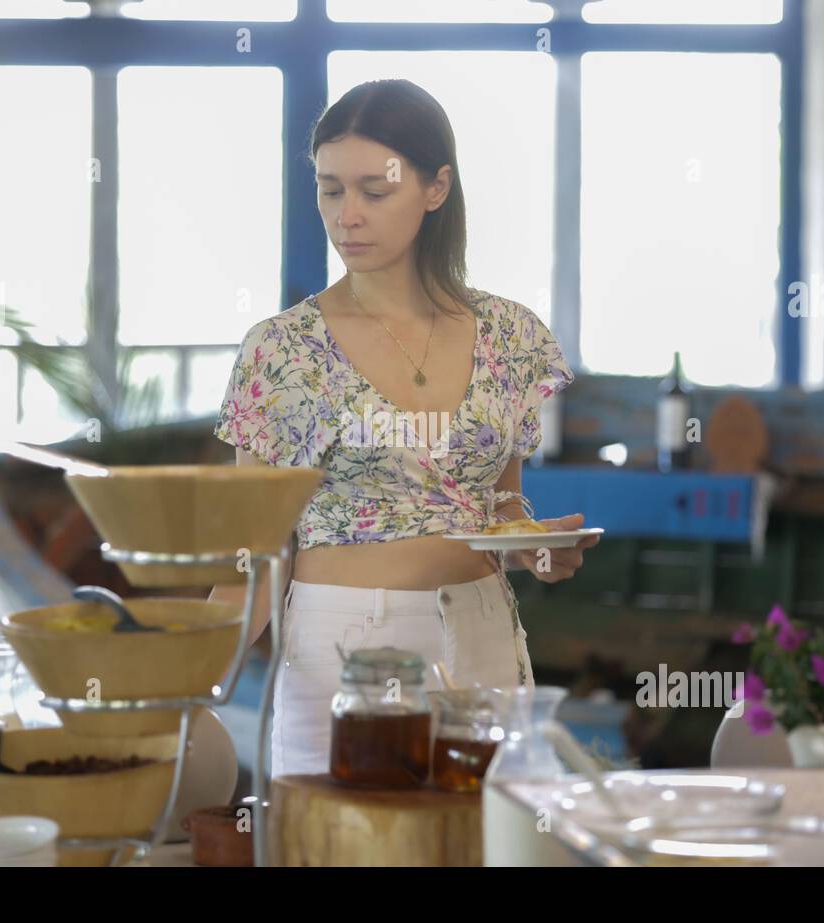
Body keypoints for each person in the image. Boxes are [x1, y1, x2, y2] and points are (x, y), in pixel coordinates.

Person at [210, 78, 599, 777]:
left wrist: (533, 548)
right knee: (340, 845)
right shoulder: (282, 350)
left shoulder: (511, 334)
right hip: (341, 652)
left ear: (436, 187)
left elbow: (502, 505)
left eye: (374, 190)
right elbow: (258, 550)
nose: (347, 216)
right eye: (331, 189)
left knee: (484, 846)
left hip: (481, 635)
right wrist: (185, 676)